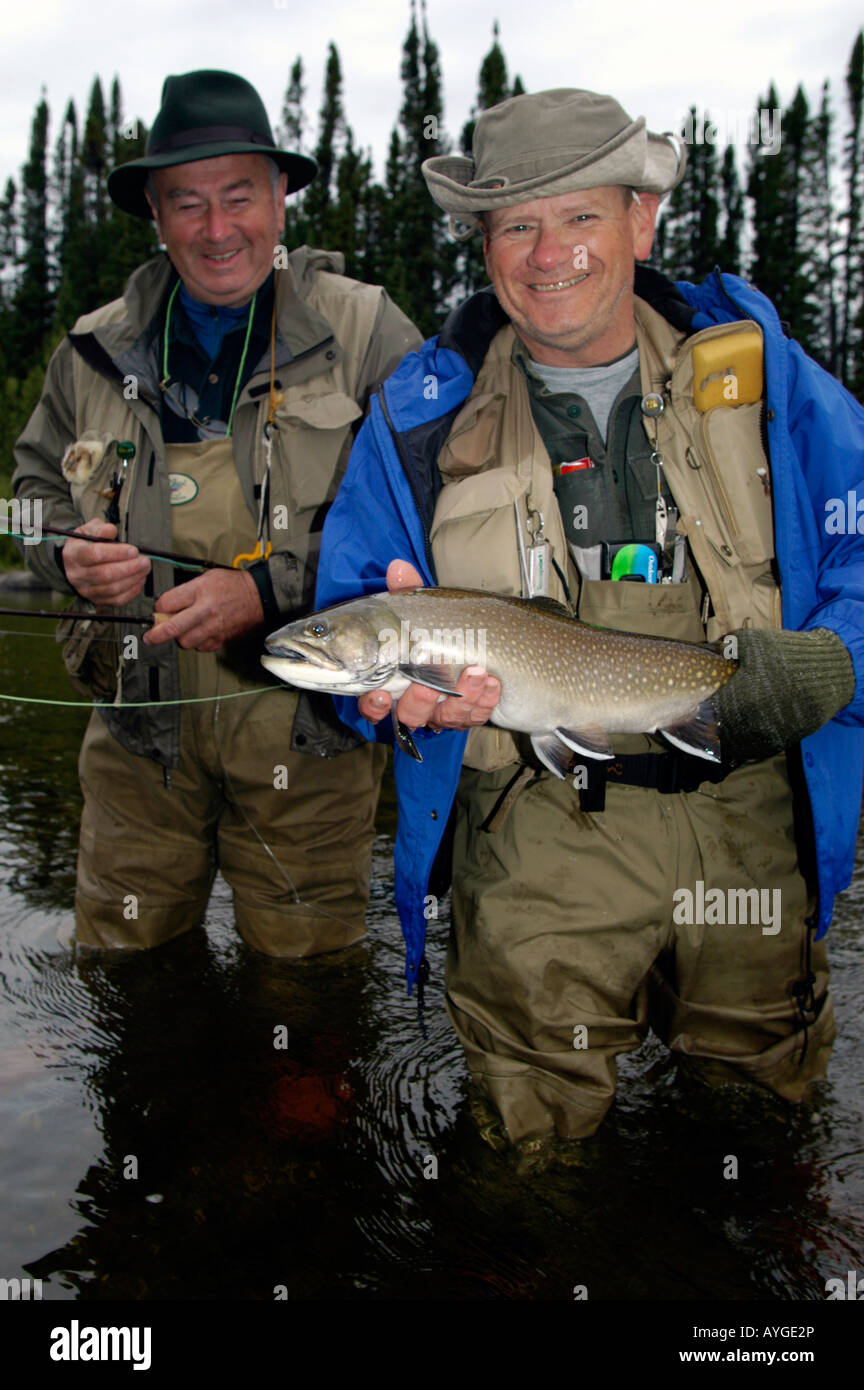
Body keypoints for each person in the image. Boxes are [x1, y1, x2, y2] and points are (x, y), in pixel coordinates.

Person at [316, 88, 864, 1146]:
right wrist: (388, 709)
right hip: (535, 826)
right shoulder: (419, 419)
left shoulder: (770, 379)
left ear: (641, 220)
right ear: (484, 245)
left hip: (746, 806)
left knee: (761, 1126)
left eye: (580, 215)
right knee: (531, 1148)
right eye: (515, 223)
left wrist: (834, 661)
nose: (547, 250)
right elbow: (345, 633)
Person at [13, 69, 421, 955]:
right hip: (136, 739)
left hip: (311, 740)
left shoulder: (365, 335)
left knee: (306, 1003)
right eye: (186, 203)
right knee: (125, 984)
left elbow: (431, 518)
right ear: (156, 218)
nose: (216, 227)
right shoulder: (92, 349)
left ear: (281, 199)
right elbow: (22, 505)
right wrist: (62, 553)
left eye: (239, 194)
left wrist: (271, 592)